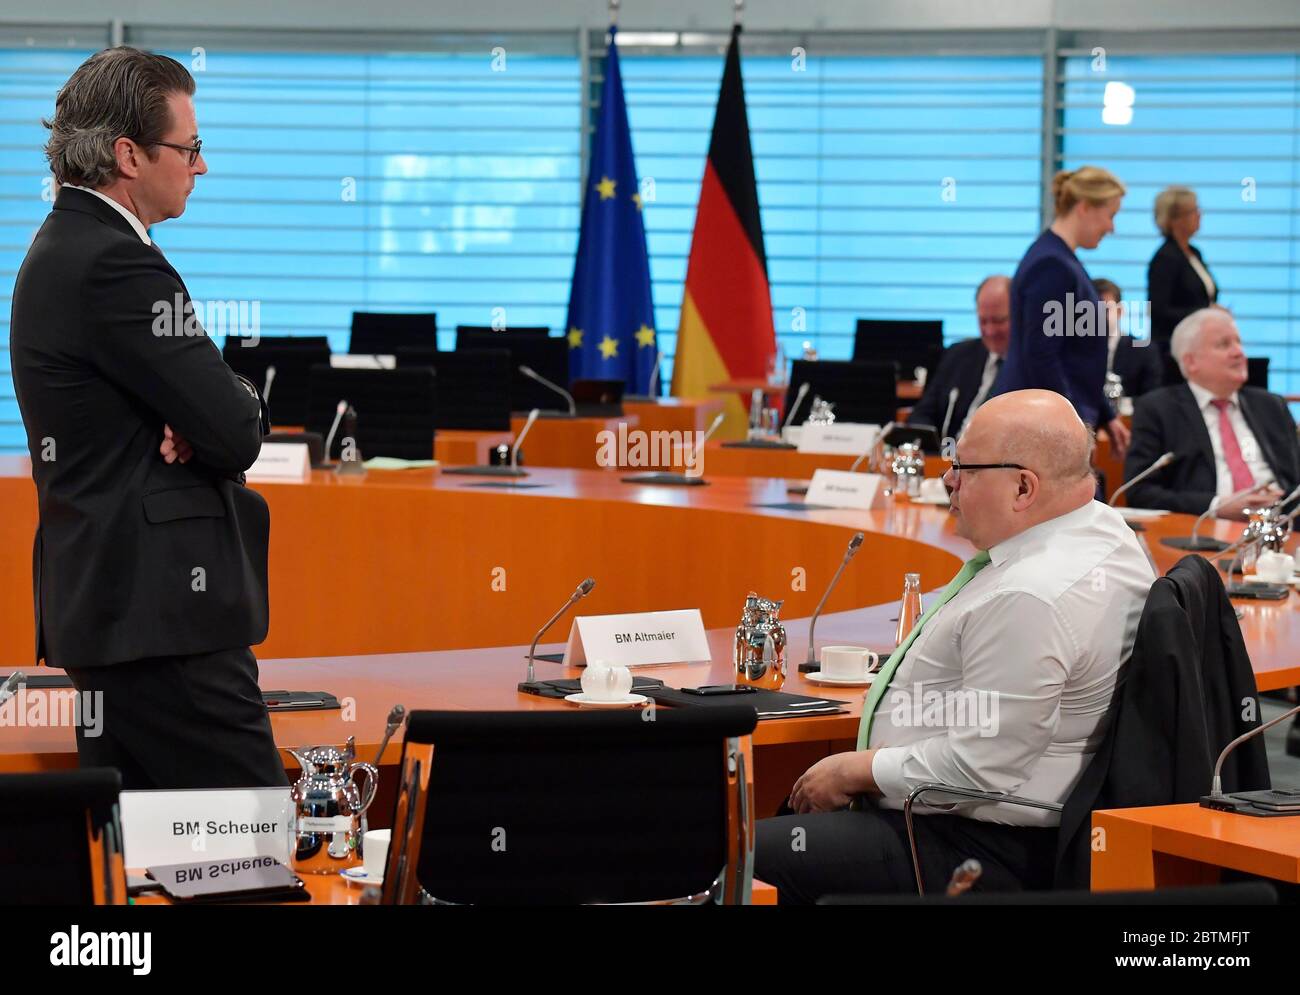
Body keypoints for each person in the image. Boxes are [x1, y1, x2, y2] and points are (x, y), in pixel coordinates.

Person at [9, 47, 287, 789]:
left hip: (120, 616)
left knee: (144, 868)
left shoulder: (63, 248)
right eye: (189, 148)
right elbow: (234, 428)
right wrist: (220, 414)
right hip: (163, 626)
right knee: (248, 856)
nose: (201, 167)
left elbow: (208, 416)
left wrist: (202, 414)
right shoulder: (114, 262)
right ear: (128, 155)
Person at [754, 390, 1154, 903]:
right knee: (782, 823)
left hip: (971, 844)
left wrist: (854, 769)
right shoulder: (1105, 532)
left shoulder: (1031, 595)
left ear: (1023, 488)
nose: (947, 480)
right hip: (990, 820)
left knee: (743, 854)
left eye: (964, 467)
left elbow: (982, 766)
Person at [990, 167, 1130, 460]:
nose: (1111, 227)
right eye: (1110, 215)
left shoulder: (1059, 259)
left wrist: (1106, 414)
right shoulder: (1051, 265)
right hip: (1040, 425)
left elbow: (1074, 360)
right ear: (1084, 208)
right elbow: (1041, 355)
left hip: (1050, 417)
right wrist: (1072, 422)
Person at [1122, 308, 1296, 518]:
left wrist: (1284, 499)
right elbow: (1139, 492)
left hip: (1281, 525)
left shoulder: (1271, 405)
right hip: (1206, 531)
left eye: (1239, 342)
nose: (1239, 352)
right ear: (1191, 361)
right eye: (1224, 344)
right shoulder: (1158, 409)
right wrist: (1215, 506)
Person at [906, 275, 1009, 439]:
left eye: (998, 321)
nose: (990, 331)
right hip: (947, 458)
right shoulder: (958, 355)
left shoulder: (1031, 367)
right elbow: (922, 414)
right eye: (983, 321)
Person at [1148, 186, 1217, 384]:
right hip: (1174, 350)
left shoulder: (1194, 252)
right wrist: (1205, 312)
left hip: (1201, 344)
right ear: (1175, 219)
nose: (1199, 215)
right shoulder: (1166, 257)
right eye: (1193, 211)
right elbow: (1159, 310)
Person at [1093, 278, 1162, 400]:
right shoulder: (1071, 351)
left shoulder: (1143, 350)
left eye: (1105, 310)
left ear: (1119, 311)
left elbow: (1151, 399)